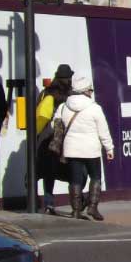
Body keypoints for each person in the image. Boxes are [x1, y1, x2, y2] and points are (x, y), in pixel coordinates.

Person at [58, 74, 115, 221]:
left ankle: (76, 210)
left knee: (75, 180)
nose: (91, 92)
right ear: (85, 91)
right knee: (95, 177)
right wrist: (109, 148)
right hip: (91, 149)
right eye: (90, 90)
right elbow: (103, 131)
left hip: (71, 149)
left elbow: (55, 125)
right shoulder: (95, 108)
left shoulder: (63, 106)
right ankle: (92, 207)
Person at [35, 64, 74, 215]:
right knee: (73, 170)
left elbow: (38, 113)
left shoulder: (46, 93)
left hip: (47, 138)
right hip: (65, 138)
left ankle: (49, 203)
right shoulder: (71, 96)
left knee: (48, 172)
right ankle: (76, 204)